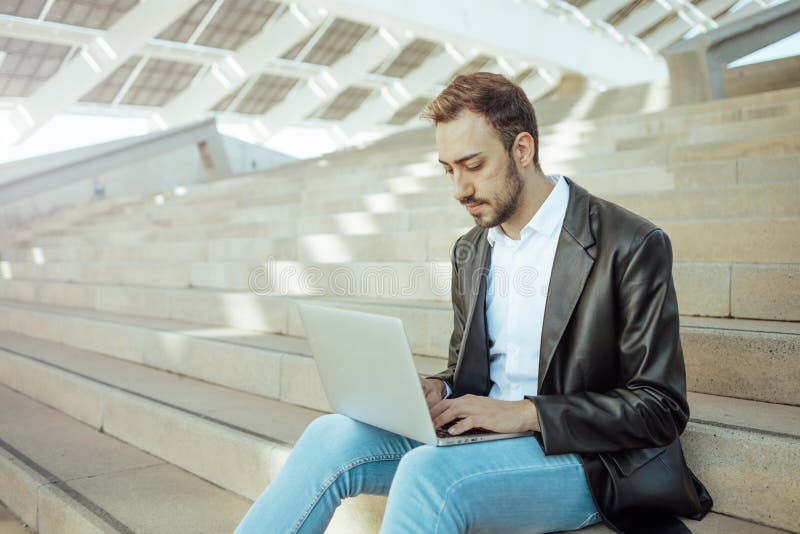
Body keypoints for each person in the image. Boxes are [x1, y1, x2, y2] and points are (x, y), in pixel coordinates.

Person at [234, 72, 712, 534]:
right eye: (449, 170)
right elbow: (468, 367)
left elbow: (660, 407)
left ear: (522, 149)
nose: (459, 189)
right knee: (329, 436)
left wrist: (527, 413)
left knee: (428, 474)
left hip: (589, 461)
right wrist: (438, 390)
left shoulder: (629, 243)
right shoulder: (471, 249)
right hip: (484, 438)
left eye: (473, 165)